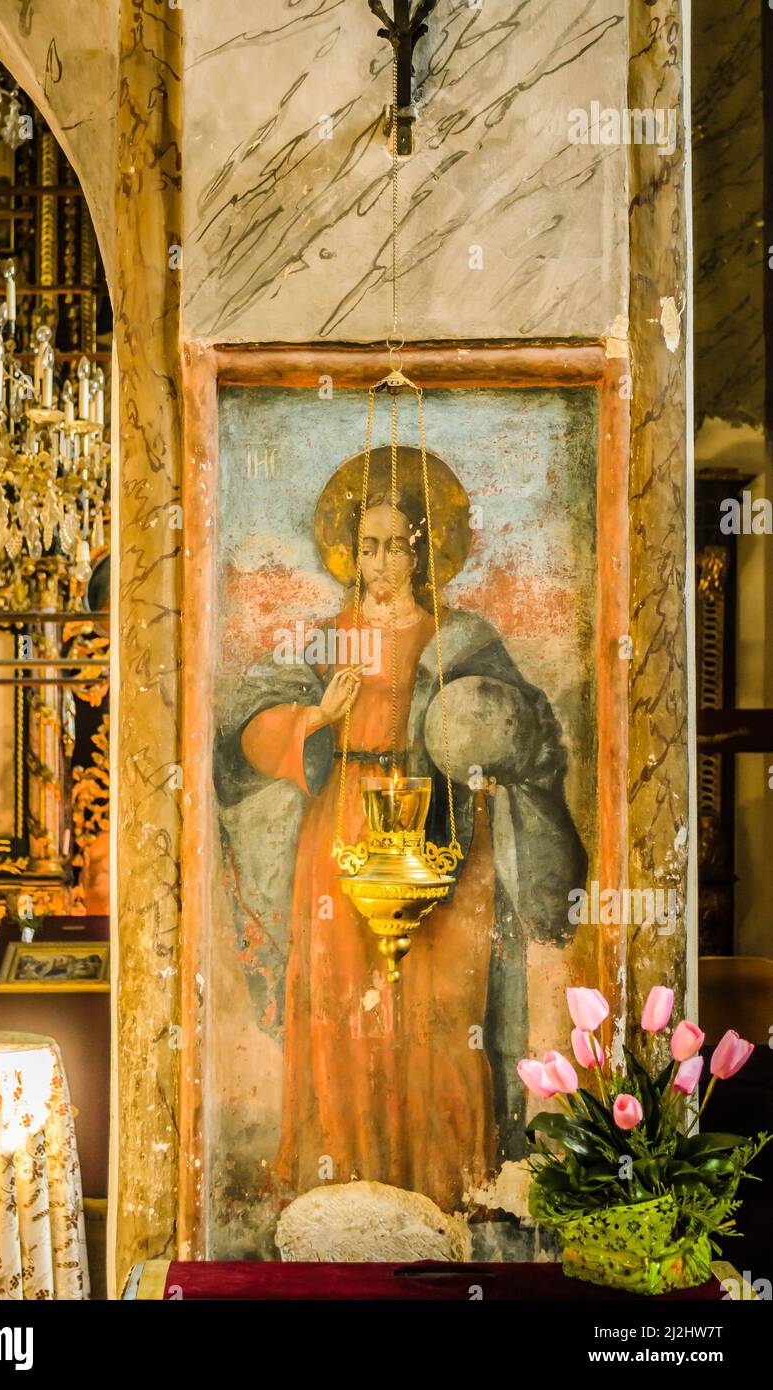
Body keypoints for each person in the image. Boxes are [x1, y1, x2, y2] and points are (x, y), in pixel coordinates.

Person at [214, 447, 587, 1209]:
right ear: (347, 551)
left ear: (423, 549)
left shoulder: (464, 636)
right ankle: (344, 1194)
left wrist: (486, 731)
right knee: (343, 1009)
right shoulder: (321, 637)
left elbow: (529, 735)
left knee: (443, 1014)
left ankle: (443, 1194)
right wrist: (316, 717)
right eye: (367, 544)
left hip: (442, 828)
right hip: (344, 826)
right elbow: (243, 735)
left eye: (396, 543)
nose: (379, 561)